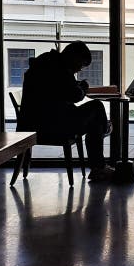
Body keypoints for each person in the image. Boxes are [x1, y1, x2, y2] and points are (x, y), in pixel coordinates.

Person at [19, 41, 115, 181]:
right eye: (81, 65)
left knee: (95, 120)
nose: (79, 70)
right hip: (52, 124)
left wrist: (76, 85)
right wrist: (84, 87)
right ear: (75, 58)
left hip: (35, 121)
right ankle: (98, 164)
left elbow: (59, 90)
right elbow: (74, 96)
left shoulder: (46, 62)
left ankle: (98, 164)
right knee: (97, 107)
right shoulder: (59, 68)